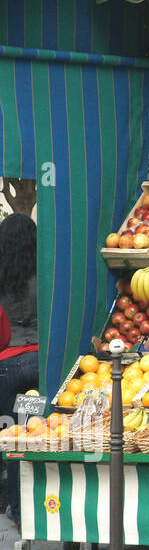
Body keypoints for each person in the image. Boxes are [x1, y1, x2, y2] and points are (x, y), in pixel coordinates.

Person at [0, 213, 39, 526]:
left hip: (7, 366)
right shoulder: (44, 273)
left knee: (12, 438)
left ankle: (17, 508)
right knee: (38, 433)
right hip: (38, 363)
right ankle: (43, 503)